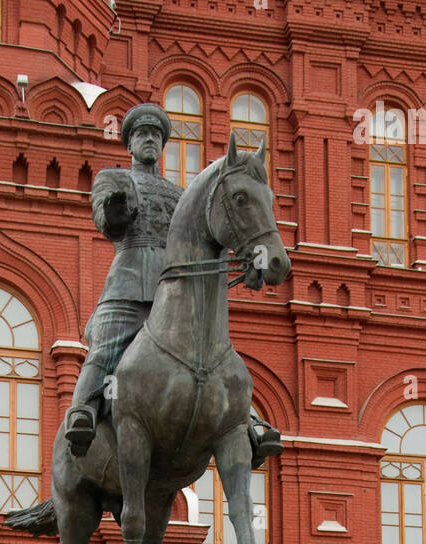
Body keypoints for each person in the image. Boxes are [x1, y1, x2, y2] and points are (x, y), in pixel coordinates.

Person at [64, 102, 281, 466]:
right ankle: (82, 411)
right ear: (129, 145)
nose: (149, 140)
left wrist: (252, 260)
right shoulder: (114, 179)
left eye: (155, 135)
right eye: (141, 135)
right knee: (106, 345)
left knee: (213, 355)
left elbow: (209, 241)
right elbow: (108, 224)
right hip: (129, 287)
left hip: (176, 296)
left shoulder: (181, 195)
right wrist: (118, 205)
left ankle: (244, 423)